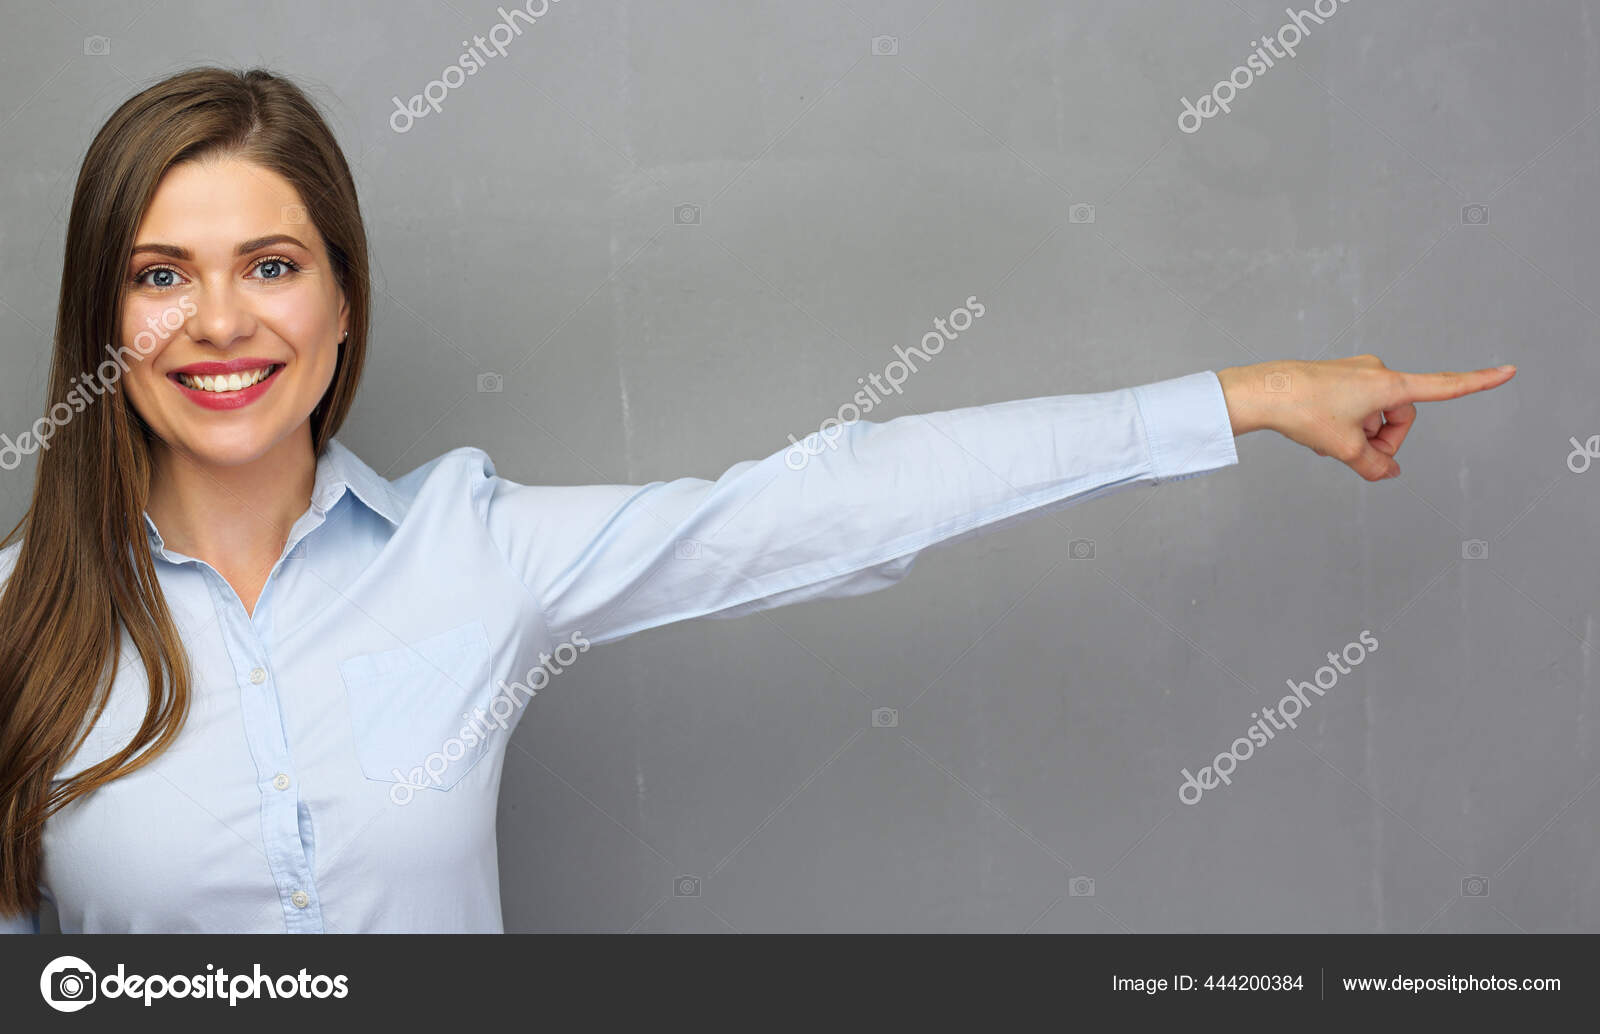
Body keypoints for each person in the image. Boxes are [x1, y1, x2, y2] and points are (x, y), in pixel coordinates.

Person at [0, 67, 1515, 933]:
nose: (219, 321)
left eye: (272, 265)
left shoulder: (476, 552)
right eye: (159, 274)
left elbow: (839, 503)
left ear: (340, 305)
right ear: (105, 320)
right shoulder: (20, 616)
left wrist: (1240, 396)